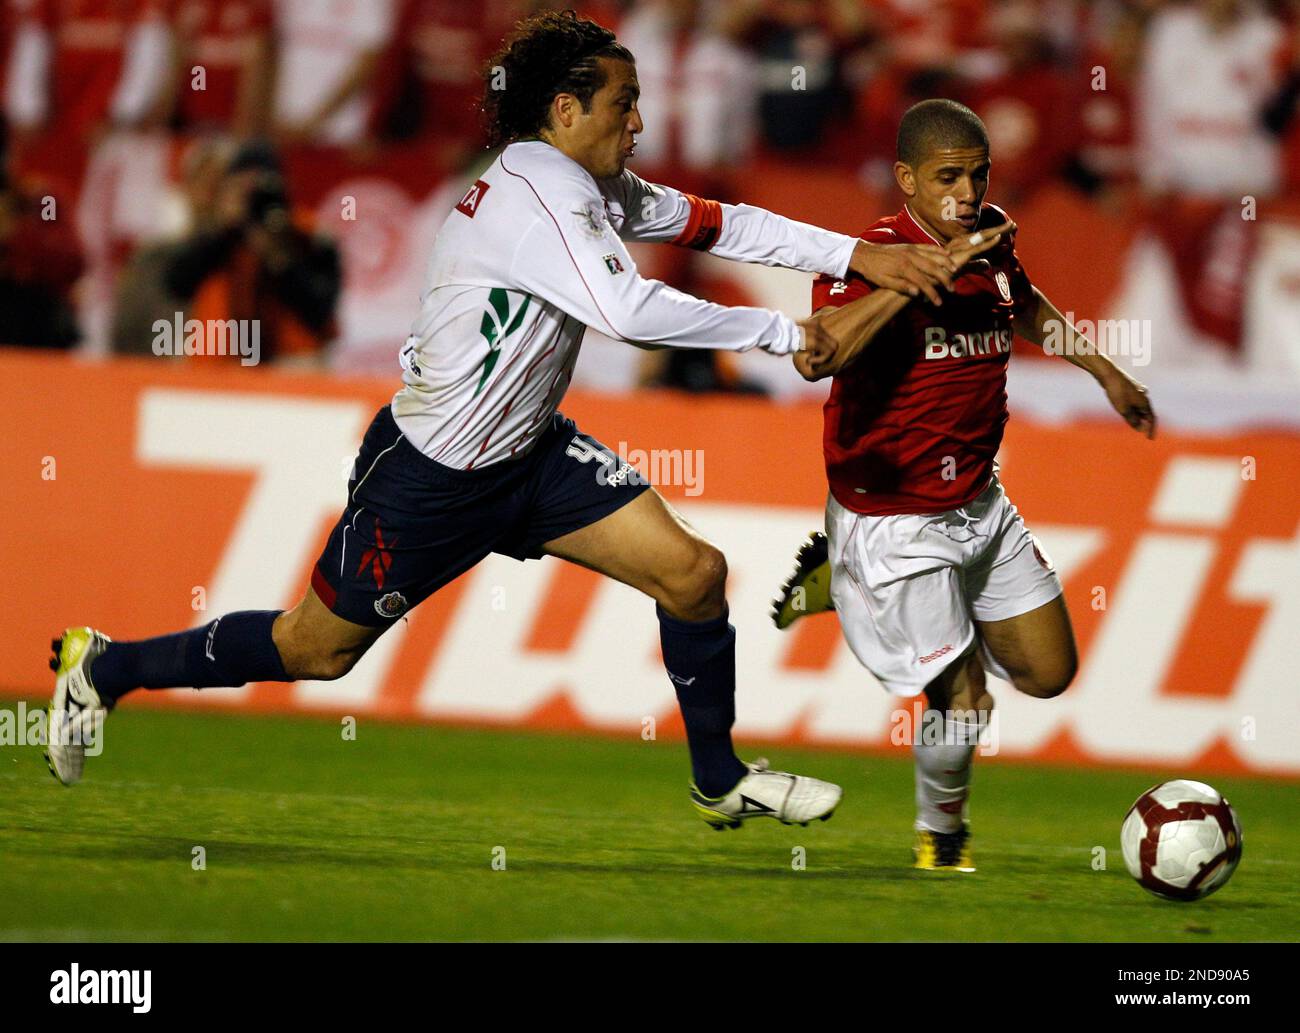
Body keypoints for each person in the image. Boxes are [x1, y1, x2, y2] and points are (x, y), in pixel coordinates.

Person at [45, 12, 996, 833]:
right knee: (314, 650)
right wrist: (788, 331)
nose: (639, 117)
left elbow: (720, 225)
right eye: (623, 100)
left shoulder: (591, 186)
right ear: (565, 110)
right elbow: (628, 312)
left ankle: (721, 782)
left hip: (531, 455)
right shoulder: (535, 198)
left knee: (694, 573)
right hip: (431, 475)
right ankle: (107, 666)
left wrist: (855, 258)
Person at [771, 99, 1156, 869]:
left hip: (980, 501)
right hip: (894, 515)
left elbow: (1024, 306)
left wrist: (1104, 369)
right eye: (948, 176)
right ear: (906, 178)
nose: (966, 191)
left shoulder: (990, 239)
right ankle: (941, 836)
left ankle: (851, 588)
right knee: (964, 703)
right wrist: (920, 278)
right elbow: (817, 358)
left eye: (977, 173)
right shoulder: (867, 254)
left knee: (1050, 674)